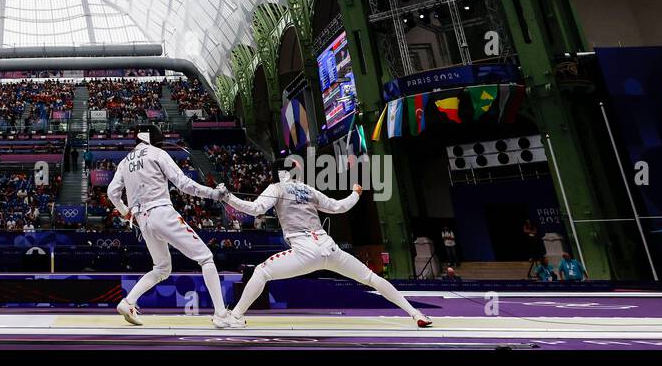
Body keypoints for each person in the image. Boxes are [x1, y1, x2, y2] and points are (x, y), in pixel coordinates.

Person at [219, 162, 432, 328]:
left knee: (261, 272)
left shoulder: (276, 188)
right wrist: (355, 194)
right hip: (329, 248)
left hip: (305, 250)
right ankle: (416, 314)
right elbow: (339, 207)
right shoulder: (309, 190)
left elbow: (256, 209)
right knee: (370, 278)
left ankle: (236, 316)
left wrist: (228, 198)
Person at [105, 123, 236, 328]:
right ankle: (221, 314)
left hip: (142, 220)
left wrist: (125, 211)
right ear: (151, 137)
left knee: (162, 268)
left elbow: (112, 193)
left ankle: (128, 302)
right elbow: (183, 183)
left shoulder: (124, 162)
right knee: (206, 257)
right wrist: (213, 193)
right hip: (161, 212)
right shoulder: (158, 153)